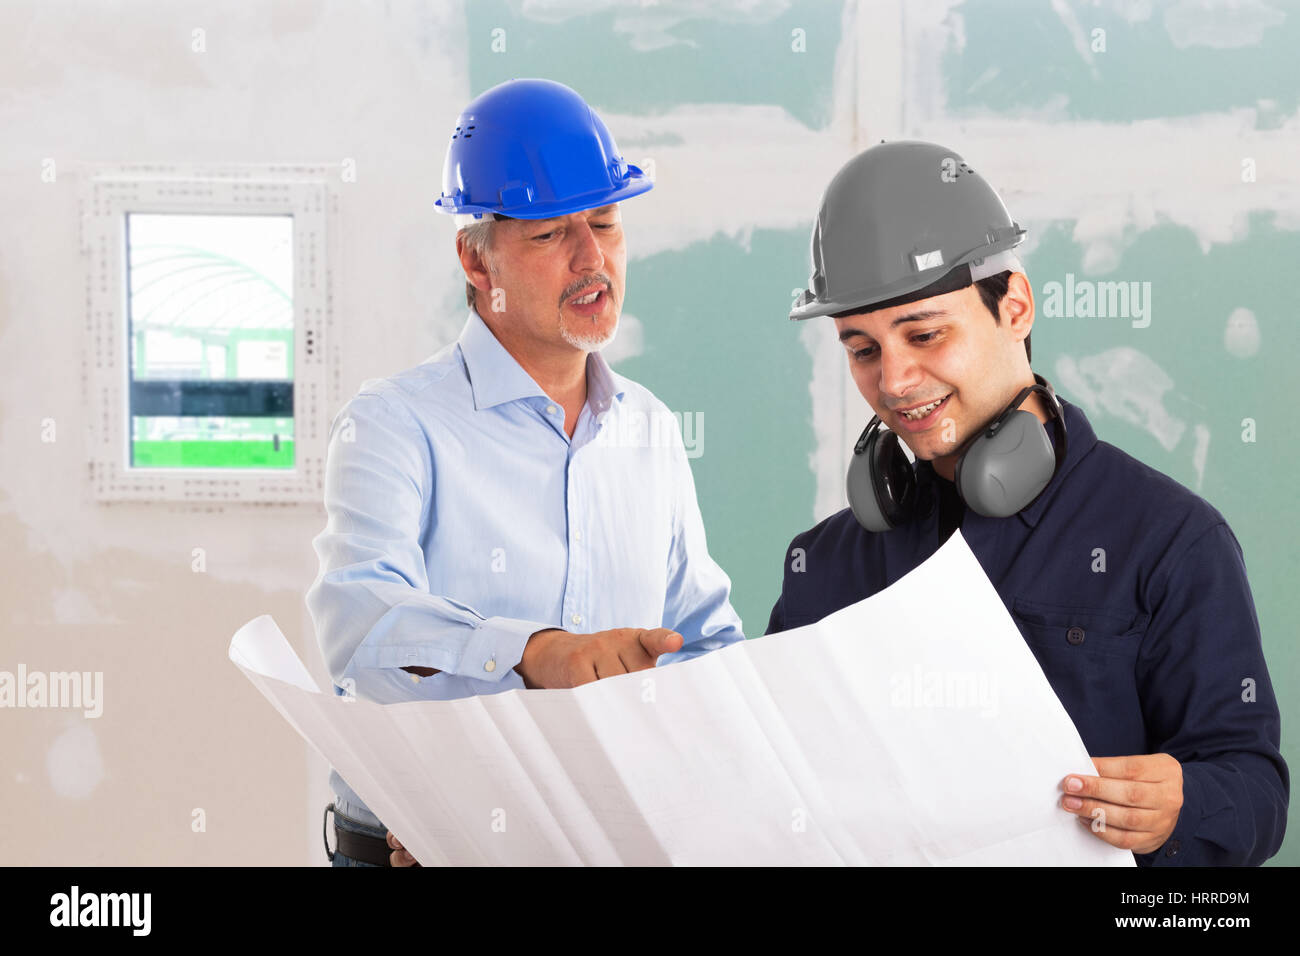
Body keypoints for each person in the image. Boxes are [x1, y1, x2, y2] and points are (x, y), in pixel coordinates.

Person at [770, 140, 1288, 865]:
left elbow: (1253, 790)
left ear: (1014, 306)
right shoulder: (821, 566)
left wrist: (1182, 805)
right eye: (863, 349)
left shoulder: (1171, 542)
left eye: (923, 333)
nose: (894, 380)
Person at [306, 78, 743, 867]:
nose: (592, 259)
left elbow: (706, 642)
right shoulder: (395, 425)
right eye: (549, 236)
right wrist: (532, 653)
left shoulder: (648, 429)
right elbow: (364, 634)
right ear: (478, 262)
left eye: (606, 223)